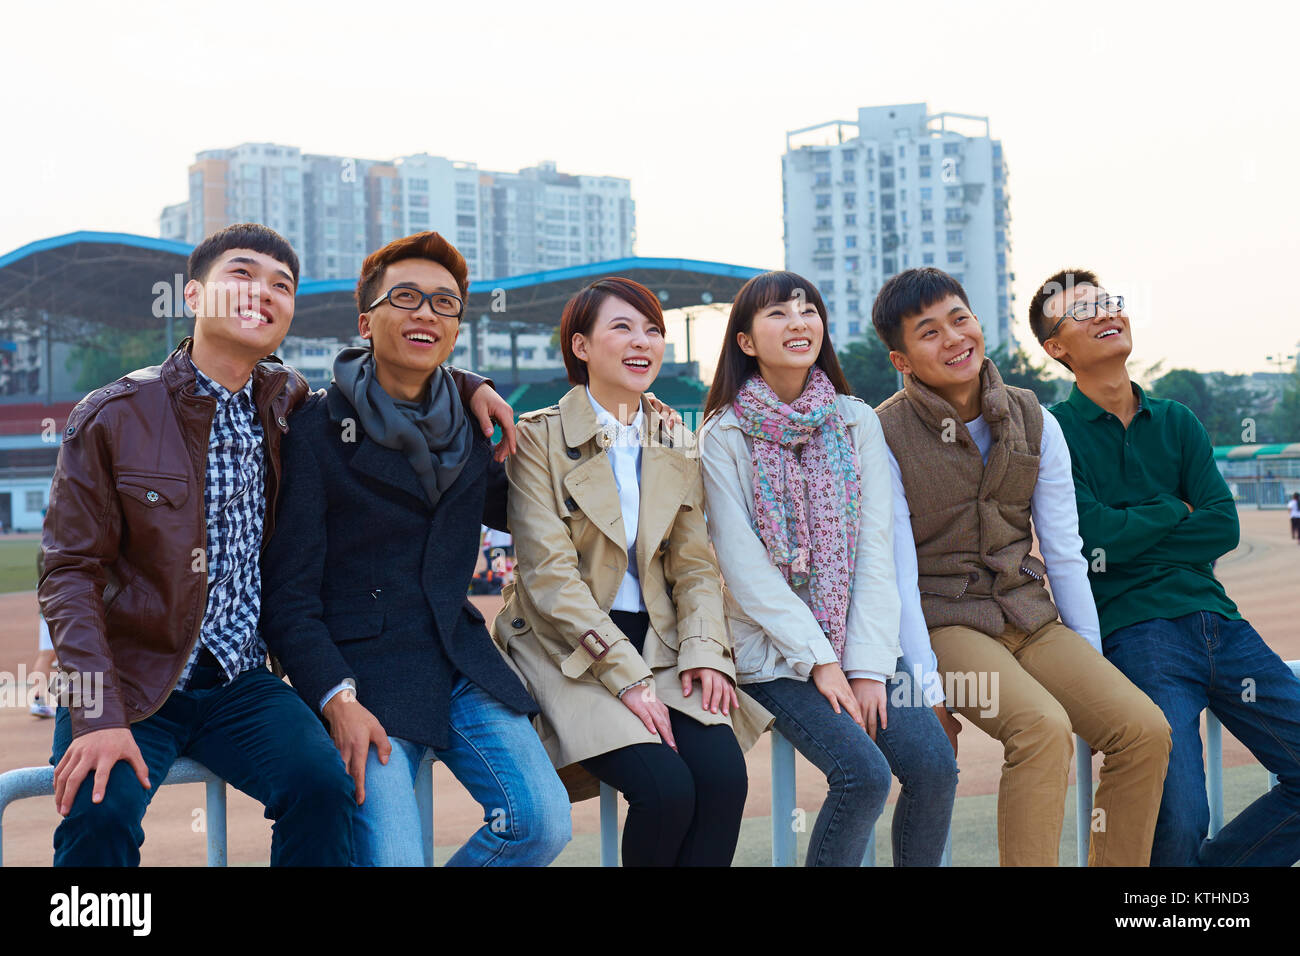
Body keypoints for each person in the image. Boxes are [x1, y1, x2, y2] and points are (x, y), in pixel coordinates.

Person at [39, 223, 356, 866]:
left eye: (281, 285)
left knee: (324, 789)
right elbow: (69, 571)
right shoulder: (115, 413)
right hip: (130, 679)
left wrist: (467, 384)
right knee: (100, 812)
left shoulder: (286, 402)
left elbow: (385, 389)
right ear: (191, 296)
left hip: (239, 680)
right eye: (241, 273)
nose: (261, 292)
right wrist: (98, 714)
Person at [260, 231, 571, 866]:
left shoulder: (470, 423)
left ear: (457, 327)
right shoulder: (315, 430)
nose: (426, 313)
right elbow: (288, 598)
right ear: (366, 320)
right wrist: (334, 698)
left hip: (458, 658)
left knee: (540, 823)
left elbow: (528, 511)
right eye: (405, 298)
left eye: (444, 303)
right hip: (363, 675)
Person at [871, 266, 1171, 866]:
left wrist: (1088, 654)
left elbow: (1064, 551)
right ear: (902, 360)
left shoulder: (1038, 420)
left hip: (1028, 613)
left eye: (961, 319)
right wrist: (928, 685)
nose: (954, 338)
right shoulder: (882, 433)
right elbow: (897, 569)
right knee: (1040, 729)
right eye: (929, 332)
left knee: (1143, 730)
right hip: (944, 621)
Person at [1030, 267, 1300, 866]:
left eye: (1108, 302)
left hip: (1220, 624)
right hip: (1138, 634)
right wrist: (1173, 508)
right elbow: (1090, 537)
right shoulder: (1053, 431)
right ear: (1056, 349)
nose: (1105, 314)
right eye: (1082, 311)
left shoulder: (1177, 421)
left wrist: (1139, 526)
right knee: (1179, 816)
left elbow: (1222, 526)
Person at [498, 276, 761, 866]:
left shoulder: (675, 438)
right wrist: (628, 678)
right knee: (665, 792)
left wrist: (702, 650)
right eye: (622, 327)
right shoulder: (537, 438)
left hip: (662, 643)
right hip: (567, 647)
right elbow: (549, 579)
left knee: (723, 781)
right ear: (581, 346)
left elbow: (694, 565)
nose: (642, 341)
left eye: (653, 330)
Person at [699, 271, 957, 867]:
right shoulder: (724, 433)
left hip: (862, 640)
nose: (799, 323)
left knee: (934, 767)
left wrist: (865, 666)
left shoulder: (855, 420)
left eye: (808, 310)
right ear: (744, 341)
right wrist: (820, 660)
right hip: (776, 652)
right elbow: (744, 571)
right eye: (778, 315)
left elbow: (874, 551)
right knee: (863, 777)